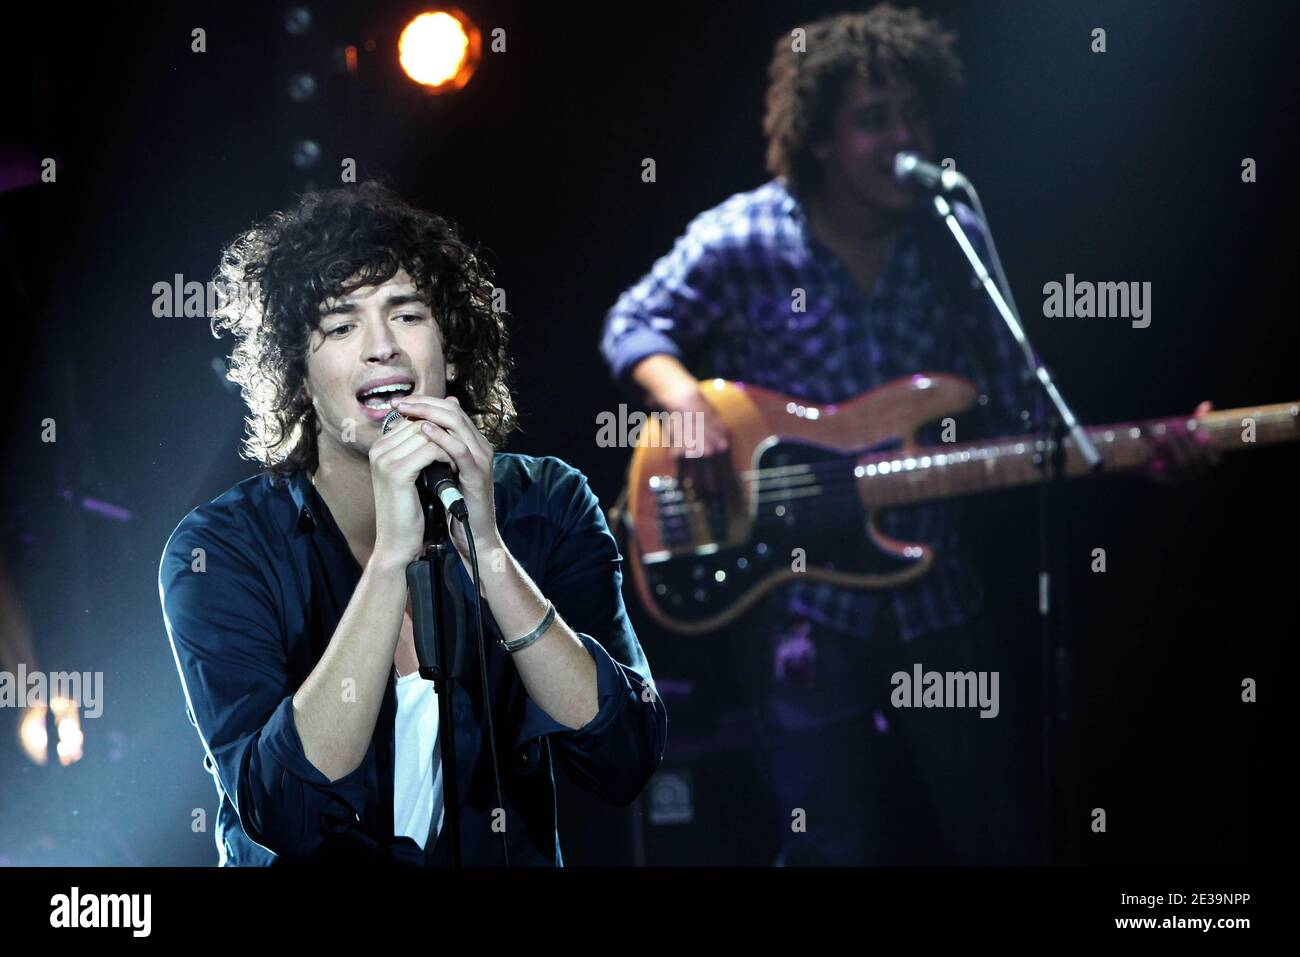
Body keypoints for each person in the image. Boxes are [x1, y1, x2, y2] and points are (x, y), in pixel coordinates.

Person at [600, 5, 1209, 865]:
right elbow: (633, 321)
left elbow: (1019, 403)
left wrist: (1142, 455)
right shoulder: (745, 236)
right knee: (831, 844)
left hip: (937, 588)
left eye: (914, 114)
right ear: (817, 135)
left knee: (1000, 833)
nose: (903, 135)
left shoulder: (952, 230)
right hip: (801, 598)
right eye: (872, 118)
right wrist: (682, 399)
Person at [160, 181, 666, 866]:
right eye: (340, 326)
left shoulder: (545, 503)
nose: (380, 348)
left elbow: (624, 756)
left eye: (406, 315)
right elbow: (285, 813)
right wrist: (391, 557)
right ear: (299, 378)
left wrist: (488, 552)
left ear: (451, 351)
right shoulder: (221, 551)